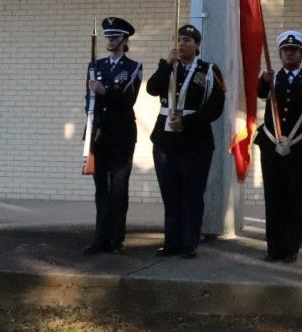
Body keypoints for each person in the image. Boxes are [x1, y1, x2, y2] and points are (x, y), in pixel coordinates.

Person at [146, 24, 224, 259]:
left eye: (188, 40)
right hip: (165, 139)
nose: (182, 44)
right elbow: (152, 89)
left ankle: (189, 243)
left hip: (195, 140)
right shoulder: (168, 67)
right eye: (179, 39)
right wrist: (167, 66)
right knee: (170, 193)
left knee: (191, 193)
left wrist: (188, 123)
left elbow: (215, 108)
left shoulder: (208, 70)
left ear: (197, 46)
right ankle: (172, 242)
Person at [254, 30, 302, 263]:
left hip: (298, 150)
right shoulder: (271, 79)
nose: (289, 54)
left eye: (294, 51)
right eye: (285, 51)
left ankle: (291, 248)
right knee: (273, 198)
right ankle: (274, 248)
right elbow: (259, 93)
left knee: (295, 200)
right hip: (272, 149)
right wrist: (264, 80)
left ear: (301, 55)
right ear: (279, 54)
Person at [83, 17, 143, 255]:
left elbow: (128, 100)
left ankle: (117, 240)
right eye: (108, 37)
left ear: (125, 40)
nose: (110, 41)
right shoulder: (95, 66)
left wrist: (104, 91)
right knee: (101, 190)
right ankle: (100, 239)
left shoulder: (133, 68)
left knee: (118, 189)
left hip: (121, 135)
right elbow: (88, 100)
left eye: (115, 37)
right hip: (99, 133)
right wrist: (91, 125)